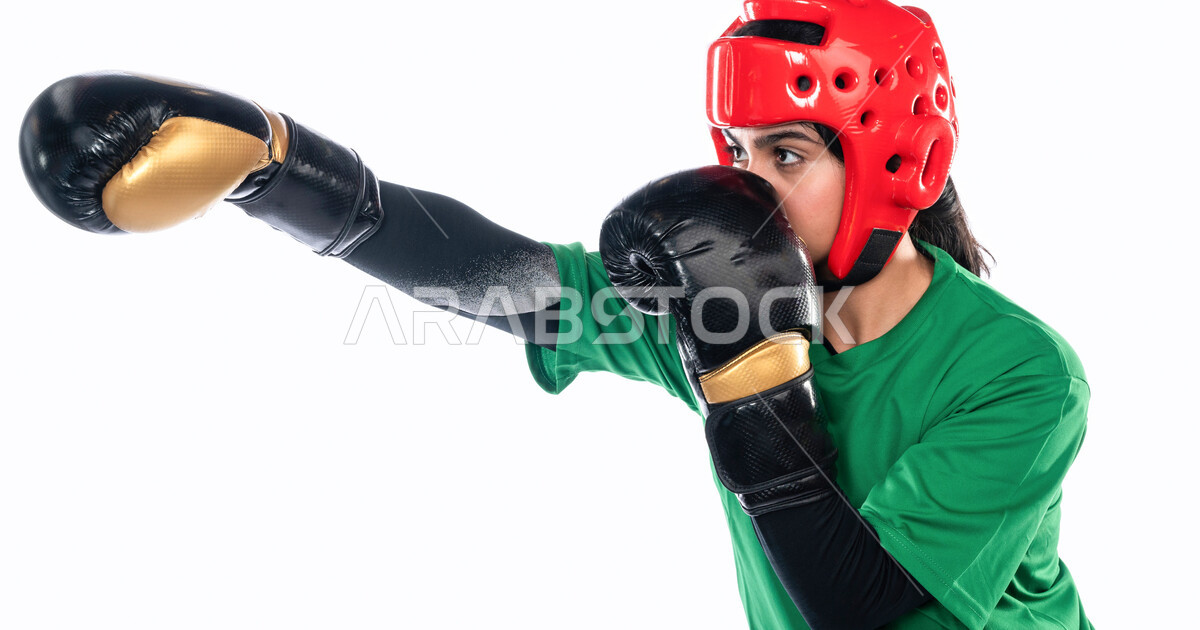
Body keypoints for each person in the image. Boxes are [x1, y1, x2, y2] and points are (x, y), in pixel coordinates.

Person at [18, 0, 1090, 628]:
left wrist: (749, 373)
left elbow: (866, 616)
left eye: (790, 154)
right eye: (737, 151)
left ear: (904, 160)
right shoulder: (736, 301)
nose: (748, 187)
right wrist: (280, 169)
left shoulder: (1017, 373)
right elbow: (507, 282)